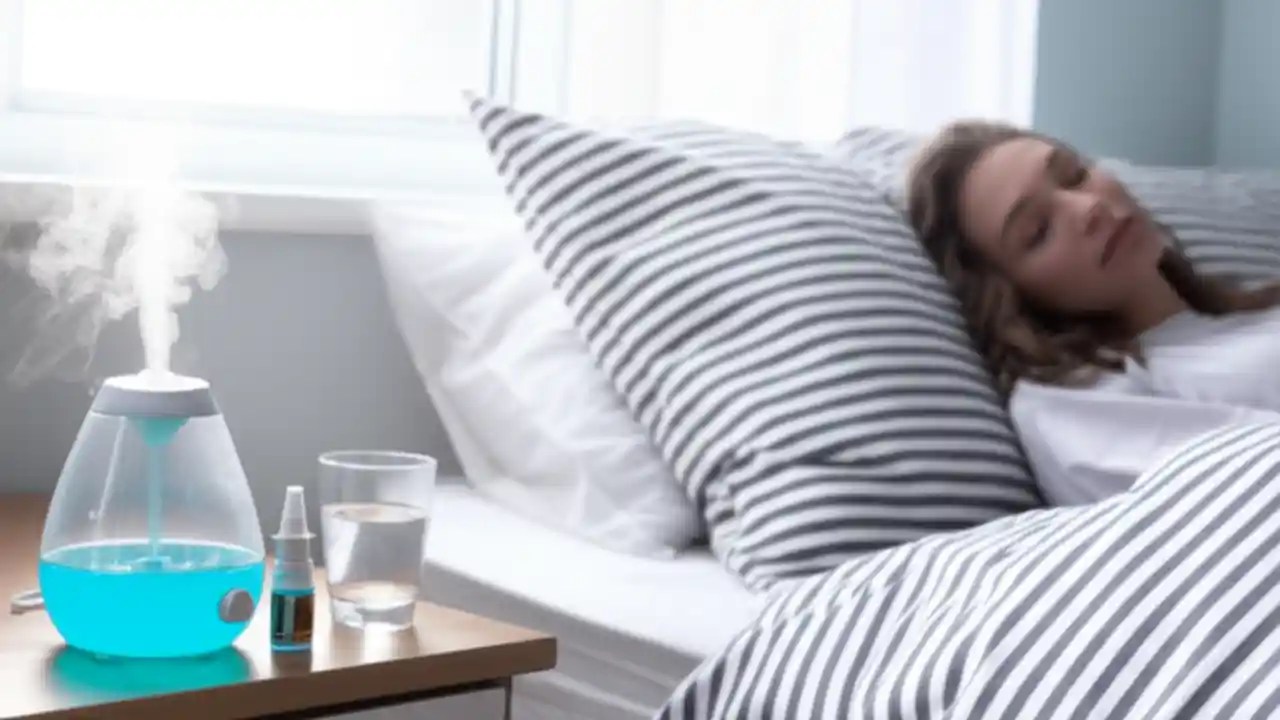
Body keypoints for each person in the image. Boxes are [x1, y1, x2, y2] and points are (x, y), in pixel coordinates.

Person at [906, 121, 1280, 506]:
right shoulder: (1065, 402)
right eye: (1038, 230)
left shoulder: (1253, 311)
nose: (1089, 208)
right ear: (1010, 297)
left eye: (1075, 176)